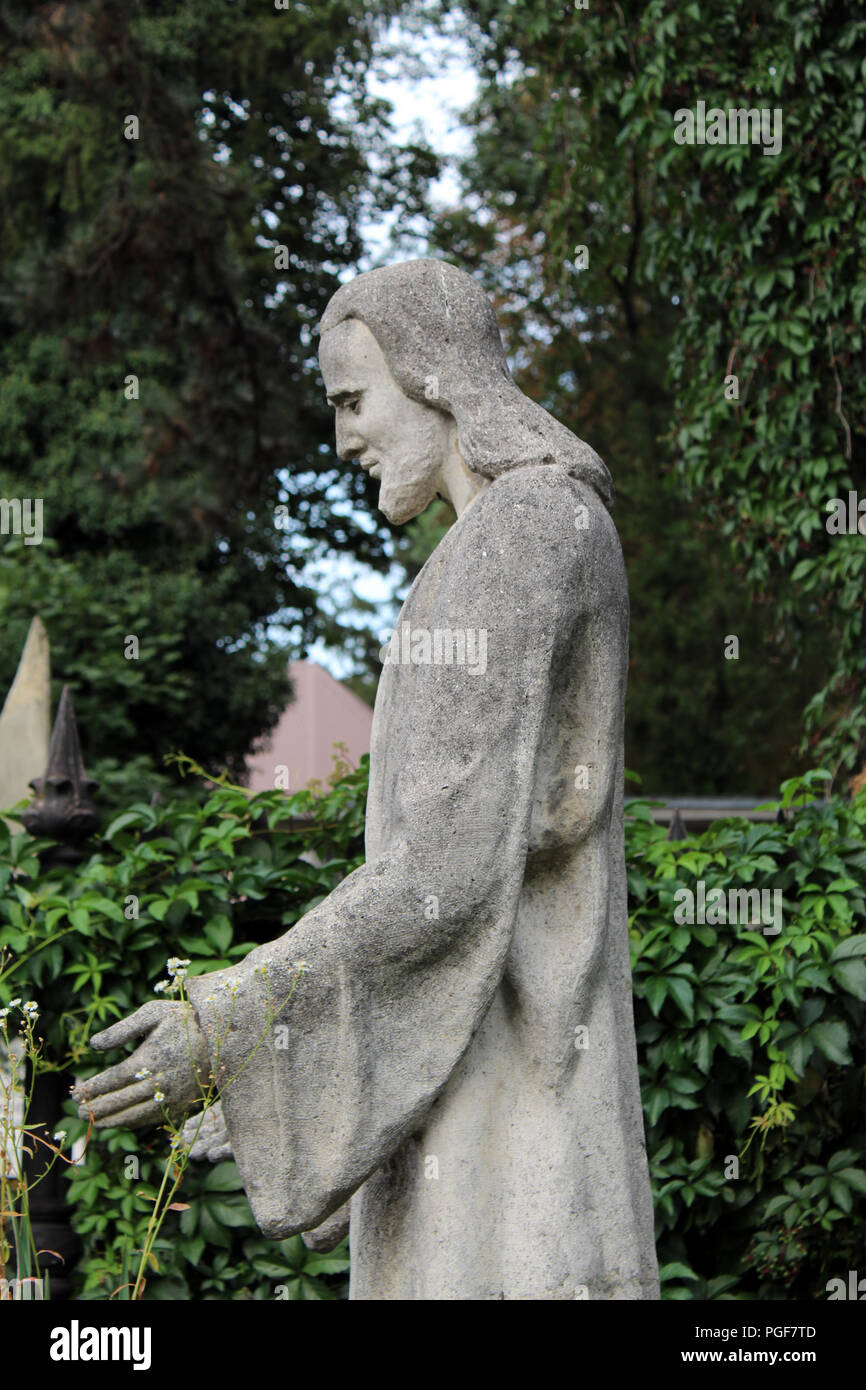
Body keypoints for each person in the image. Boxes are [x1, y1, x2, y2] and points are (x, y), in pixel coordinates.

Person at [74, 259, 659, 1300]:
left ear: (433, 377)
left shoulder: (520, 533)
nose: (343, 437)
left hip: (505, 1131)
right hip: (492, 1102)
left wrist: (230, 1028)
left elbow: (442, 872)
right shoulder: (538, 532)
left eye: (352, 401)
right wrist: (281, 1071)